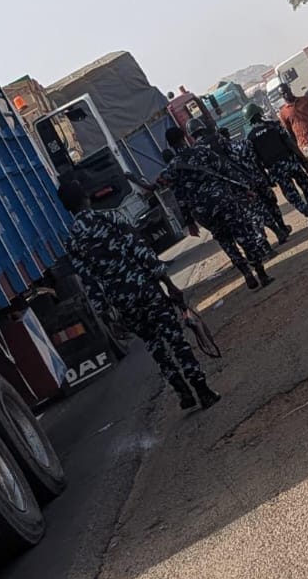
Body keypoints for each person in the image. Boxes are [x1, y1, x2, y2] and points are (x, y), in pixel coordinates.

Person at [57, 175, 219, 410]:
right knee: (175, 339)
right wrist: (168, 283)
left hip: (122, 301)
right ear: (85, 197)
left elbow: (89, 282)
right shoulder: (111, 218)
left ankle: (182, 391)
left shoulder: (73, 242)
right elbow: (141, 251)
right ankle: (202, 390)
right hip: (145, 289)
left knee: (155, 345)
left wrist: (106, 315)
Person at [163, 126, 274, 289]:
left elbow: (180, 196)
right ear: (183, 136)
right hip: (223, 201)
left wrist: (190, 222)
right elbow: (226, 171)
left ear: (170, 144)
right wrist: (244, 190)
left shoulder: (172, 167)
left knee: (225, 241)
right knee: (244, 235)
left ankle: (247, 274)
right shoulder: (202, 151)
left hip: (203, 211)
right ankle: (261, 273)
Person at [245, 105, 308, 230]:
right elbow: (290, 144)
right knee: (307, 189)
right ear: (259, 113)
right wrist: (303, 159)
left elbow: (256, 162)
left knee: (292, 196)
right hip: (291, 162)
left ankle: (307, 210)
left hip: (276, 170)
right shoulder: (274, 126)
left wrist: (267, 179)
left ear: (249, 120)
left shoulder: (250, 138)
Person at [220, 127, 290, 244]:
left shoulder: (223, 157)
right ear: (229, 134)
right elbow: (257, 161)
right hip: (258, 178)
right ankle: (282, 227)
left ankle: (268, 240)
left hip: (246, 186)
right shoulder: (244, 143)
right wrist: (266, 178)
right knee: (271, 204)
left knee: (256, 212)